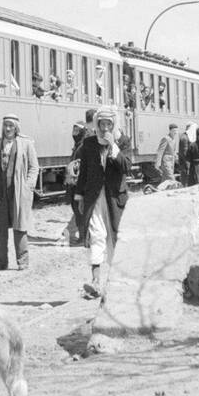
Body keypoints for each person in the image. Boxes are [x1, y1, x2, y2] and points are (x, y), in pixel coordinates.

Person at [75, 107, 129, 298]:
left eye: (109, 124)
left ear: (114, 125)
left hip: (115, 198)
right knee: (96, 235)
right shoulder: (89, 143)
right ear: (97, 124)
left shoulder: (122, 141)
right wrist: (79, 196)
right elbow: (84, 172)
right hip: (95, 198)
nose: (105, 128)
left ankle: (115, 283)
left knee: (115, 237)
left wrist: (114, 148)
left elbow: (126, 167)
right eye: (102, 124)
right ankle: (95, 281)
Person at [0, 114, 40, 270]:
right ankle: (0, 262)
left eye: (11, 126)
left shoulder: (26, 144)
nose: (8, 129)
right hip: (0, 193)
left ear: (16, 128)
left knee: (20, 227)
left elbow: (34, 167)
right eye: (5, 126)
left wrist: (28, 186)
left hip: (19, 193)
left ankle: (23, 262)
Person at [64, 120, 86, 243]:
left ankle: (84, 236)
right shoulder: (77, 145)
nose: (75, 133)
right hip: (74, 183)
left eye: (78, 130)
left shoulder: (83, 146)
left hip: (80, 184)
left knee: (80, 210)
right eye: (74, 130)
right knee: (76, 209)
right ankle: (82, 236)